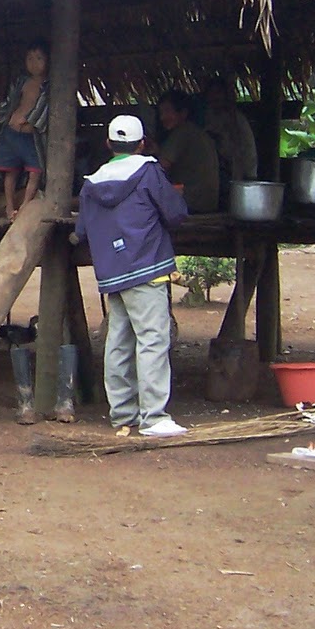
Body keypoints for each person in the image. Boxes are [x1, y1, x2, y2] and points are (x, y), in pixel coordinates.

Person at [76, 114, 190, 436]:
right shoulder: (149, 172)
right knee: (153, 338)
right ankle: (153, 417)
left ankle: (123, 413)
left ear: (108, 144)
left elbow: (81, 230)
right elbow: (175, 214)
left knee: (119, 340)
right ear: (142, 144)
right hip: (146, 266)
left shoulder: (92, 182)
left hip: (113, 273)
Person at [0, 40, 49, 220]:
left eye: (39, 58)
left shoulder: (50, 86)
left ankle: (24, 207)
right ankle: (9, 208)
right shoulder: (22, 82)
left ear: (48, 60)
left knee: (35, 172)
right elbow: (7, 106)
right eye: (30, 58)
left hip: (31, 137)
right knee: (10, 171)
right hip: (11, 133)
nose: (34, 63)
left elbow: (44, 110)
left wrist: (28, 119)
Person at [155, 89, 220, 213]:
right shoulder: (196, 132)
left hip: (191, 202)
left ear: (183, 113)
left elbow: (160, 168)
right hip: (209, 202)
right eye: (161, 113)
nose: (162, 117)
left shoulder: (182, 132)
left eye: (167, 111)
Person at [202, 77, 257, 188]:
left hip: (237, 173)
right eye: (211, 93)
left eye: (218, 93)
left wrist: (249, 175)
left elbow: (247, 150)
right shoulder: (207, 117)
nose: (214, 97)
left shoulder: (237, 119)